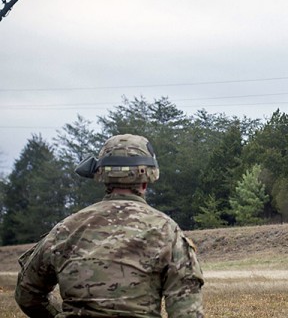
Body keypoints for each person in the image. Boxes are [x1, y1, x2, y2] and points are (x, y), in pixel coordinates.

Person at [15, 134, 204, 317]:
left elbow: (28, 295)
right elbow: (186, 312)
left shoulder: (65, 229)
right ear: (147, 180)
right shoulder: (167, 230)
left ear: (101, 176)